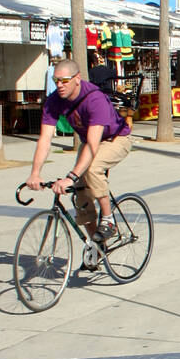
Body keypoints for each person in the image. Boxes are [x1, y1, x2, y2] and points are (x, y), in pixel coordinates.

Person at [26, 60, 131, 244]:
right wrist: (35, 174)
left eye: (64, 80)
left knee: (91, 169)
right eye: (56, 80)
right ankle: (97, 248)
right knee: (81, 195)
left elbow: (93, 144)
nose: (59, 85)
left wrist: (71, 176)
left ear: (77, 79)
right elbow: (45, 139)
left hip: (115, 139)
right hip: (90, 142)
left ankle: (108, 220)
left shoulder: (94, 98)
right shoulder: (54, 100)